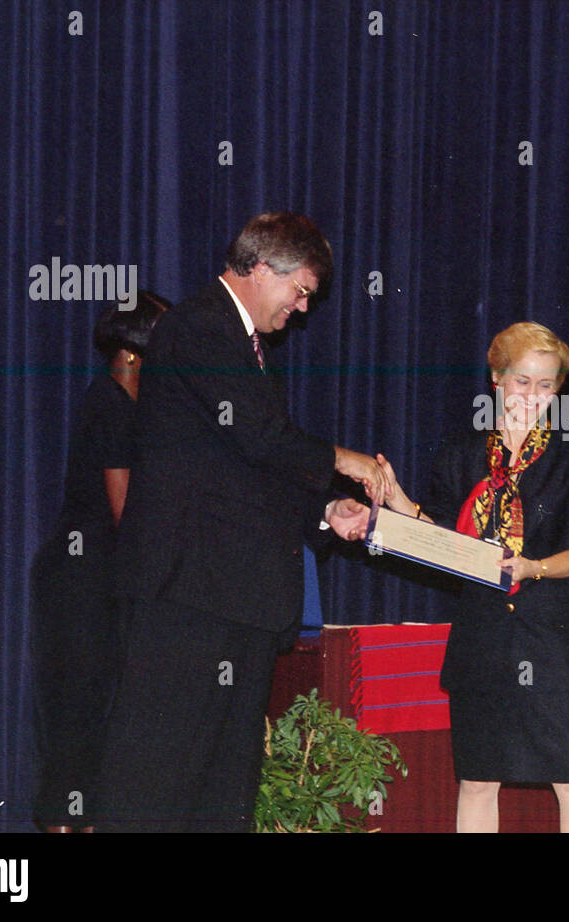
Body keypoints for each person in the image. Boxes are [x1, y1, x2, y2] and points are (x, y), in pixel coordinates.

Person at [97, 212, 386, 832]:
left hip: (231, 598)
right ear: (260, 268)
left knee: (223, 785)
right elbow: (260, 437)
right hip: (188, 597)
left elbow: (249, 467)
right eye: (300, 290)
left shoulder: (241, 343)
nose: (303, 309)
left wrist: (325, 510)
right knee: (156, 776)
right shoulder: (199, 327)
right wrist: (344, 460)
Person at [377, 321, 569, 833]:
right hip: (482, 639)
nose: (534, 395)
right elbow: (436, 536)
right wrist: (396, 500)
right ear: (497, 380)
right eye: (523, 381)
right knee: (478, 780)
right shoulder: (462, 452)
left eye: (547, 385)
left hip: (553, 641)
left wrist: (532, 567)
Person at [30, 291, 170, 832]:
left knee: (101, 716)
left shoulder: (131, 407)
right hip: (80, 580)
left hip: (98, 578)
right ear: (132, 351)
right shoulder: (111, 405)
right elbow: (125, 513)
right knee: (79, 713)